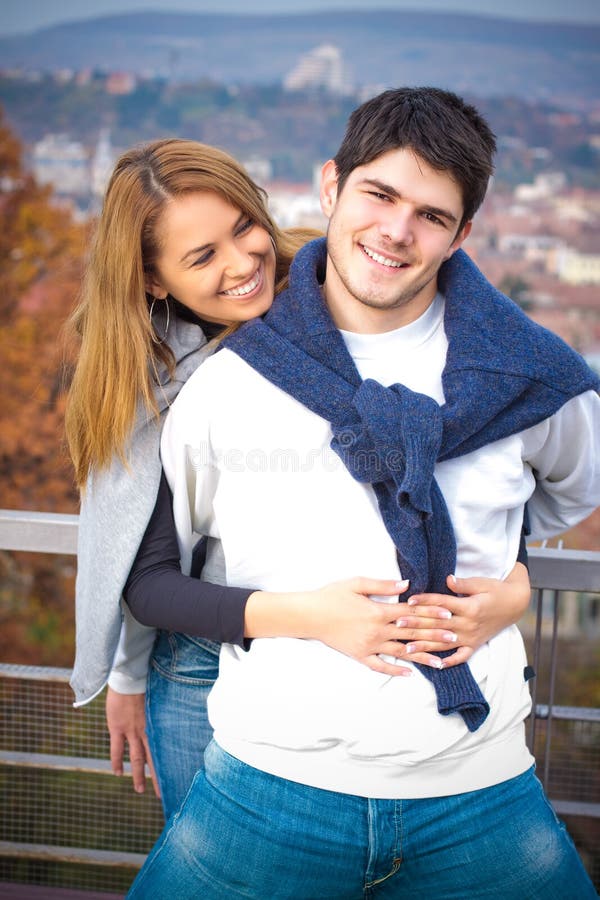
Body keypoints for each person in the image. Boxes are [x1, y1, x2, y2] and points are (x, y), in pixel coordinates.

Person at [127, 88, 600, 897]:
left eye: (431, 215)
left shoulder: (541, 382)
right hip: (268, 785)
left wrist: (512, 579)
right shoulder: (225, 386)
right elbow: (166, 565)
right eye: (379, 195)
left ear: (462, 236)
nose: (396, 231)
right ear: (331, 186)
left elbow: (547, 502)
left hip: (478, 787)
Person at [67, 137, 530, 820]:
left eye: (243, 228)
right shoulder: (147, 382)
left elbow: (467, 461)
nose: (242, 263)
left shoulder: (347, 295)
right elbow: (149, 567)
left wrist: (512, 585)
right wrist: (130, 678)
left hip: (379, 654)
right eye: (202, 256)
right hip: (203, 655)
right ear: (154, 281)